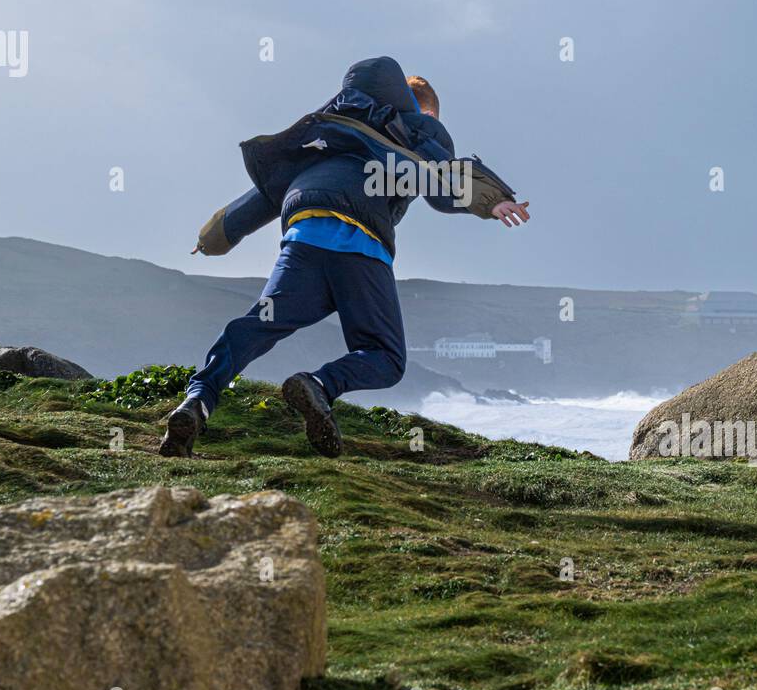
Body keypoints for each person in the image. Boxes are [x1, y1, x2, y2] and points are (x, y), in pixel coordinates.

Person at [159, 55, 529, 459]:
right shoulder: (417, 127)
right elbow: (438, 176)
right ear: (419, 105)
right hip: (360, 241)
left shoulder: (325, 130)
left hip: (305, 233)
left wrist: (214, 236)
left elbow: (268, 192)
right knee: (384, 356)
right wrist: (490, 200)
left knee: (258, 325)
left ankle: (197, 399)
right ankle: (319, 385)